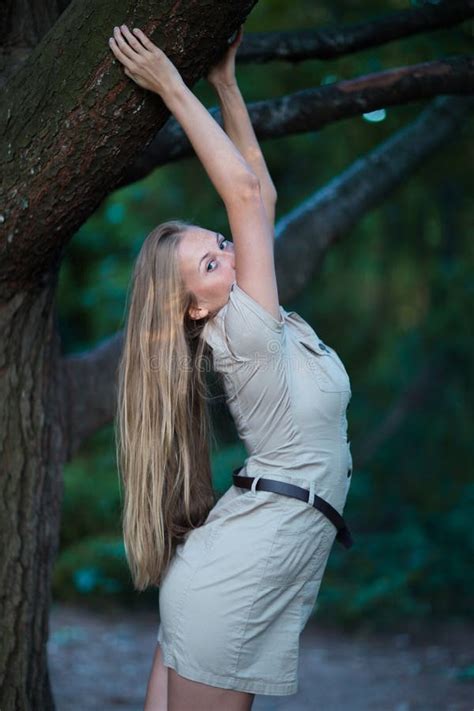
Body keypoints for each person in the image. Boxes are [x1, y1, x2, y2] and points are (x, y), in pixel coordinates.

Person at [111, 22, 353, 711]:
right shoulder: (240, 330)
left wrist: (225, 85)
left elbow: (260, 197)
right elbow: (244, 195)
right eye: (209, 265)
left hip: (242, 558)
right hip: (237, 576)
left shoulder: (257, 316)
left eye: (219, 243)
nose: (230, 252)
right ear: (192, 308)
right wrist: (169, 86)